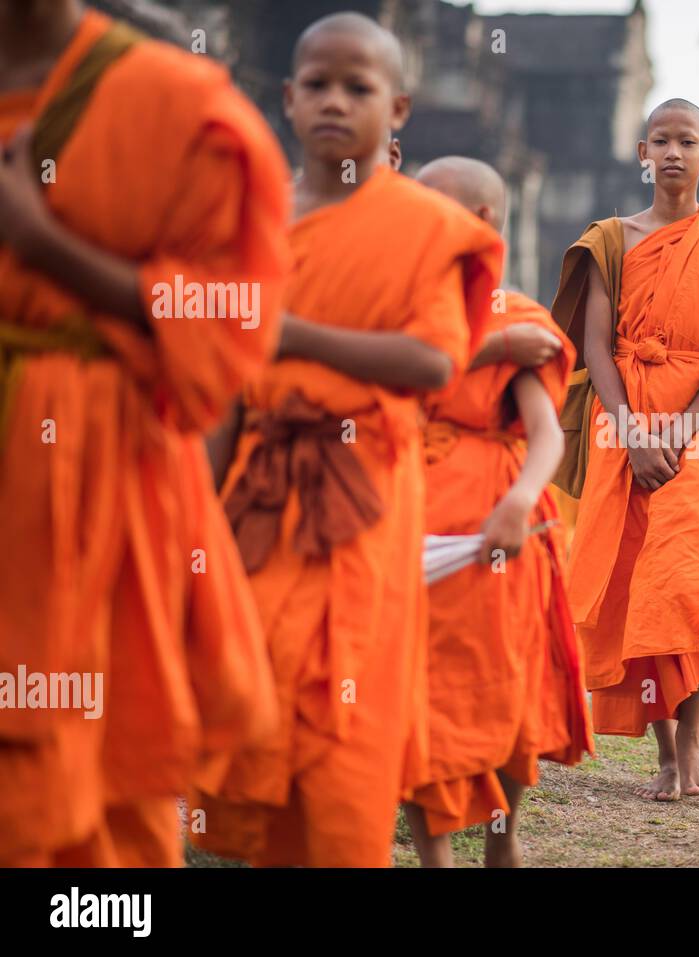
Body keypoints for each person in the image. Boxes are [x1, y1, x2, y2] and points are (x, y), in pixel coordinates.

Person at [191, 12, 504, 866]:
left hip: (363, 488)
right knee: (259, 682)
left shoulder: (422, 226)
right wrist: (204, 518)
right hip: (260, 489)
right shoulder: (250, 224)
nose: (335, 102)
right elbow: (225, 393)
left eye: (357, 88)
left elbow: (433, 360)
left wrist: (293, 337)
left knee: (349, 699)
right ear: (286, 100)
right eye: (318, 87)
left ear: (396, 108)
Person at [0, 0, 290, 866]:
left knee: (85, 788)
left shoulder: (174, 104)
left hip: (87, 475)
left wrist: (41, 244)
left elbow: (230, 322)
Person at [555, 98, 699, 800]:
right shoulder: (611, 240)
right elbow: (596, 345)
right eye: (662, 140)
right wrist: (629, 429)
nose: (674, 153)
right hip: (620, 419)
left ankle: (692, 737)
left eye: (688, 141)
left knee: (682, 585)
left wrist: (679, 431)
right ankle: (661, 752)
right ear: (642, 151)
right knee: (631, 586)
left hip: (696, 428)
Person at [402, 156, 592, 867]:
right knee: (424, 693)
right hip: (411, 516)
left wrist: (517, 502)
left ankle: (502, 833)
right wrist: (484, 348)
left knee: (505, 684)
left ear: (481, 225)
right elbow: (378, 385)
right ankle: (434, 858)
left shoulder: (518, 315)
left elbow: (547, 433)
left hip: (497, 520)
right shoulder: (399, 313)